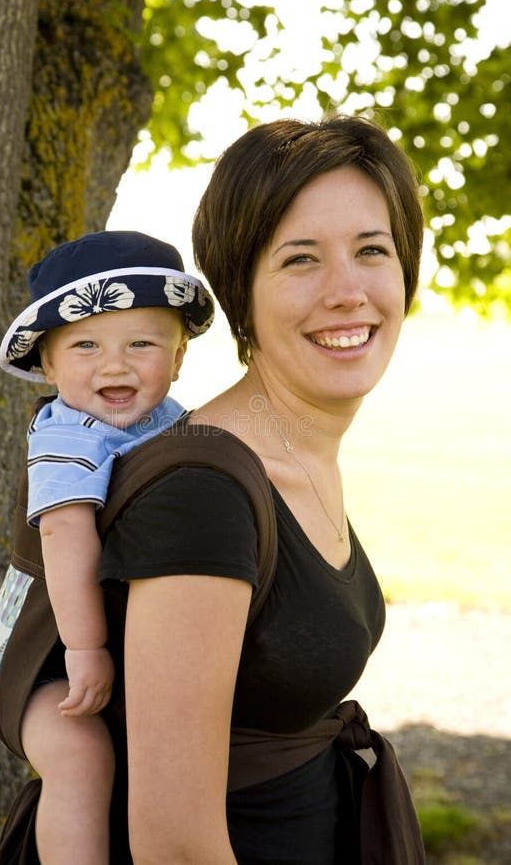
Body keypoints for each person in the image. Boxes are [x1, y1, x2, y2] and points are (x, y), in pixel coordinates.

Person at [98, 115, 426, 863]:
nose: (348, 291)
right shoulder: (202, 491)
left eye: (372, 250)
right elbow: (175, 843)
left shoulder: (301, 453)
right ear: (241, 290)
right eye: (300, 260)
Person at [0, 229, 214, 864]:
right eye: (86, 345)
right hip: (41, 652)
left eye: (142, 343)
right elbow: (63, 534)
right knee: (82, 757)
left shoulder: (167, 420)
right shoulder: (70, 436)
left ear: (179, 356)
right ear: (49, 367)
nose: (115, 365)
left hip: (91, 635)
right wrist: (86, 649)